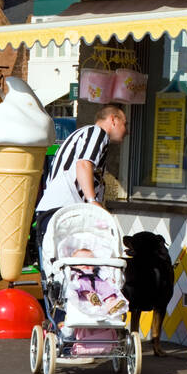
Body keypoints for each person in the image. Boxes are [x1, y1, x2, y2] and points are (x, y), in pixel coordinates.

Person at [34, 104, 128, 261]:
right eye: (125, 123)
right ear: (113, 120)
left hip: (51, 212)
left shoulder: (79, 134)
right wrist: (92, 201)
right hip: (66, 213)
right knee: (78, 268)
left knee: (58, 273)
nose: (127, 131)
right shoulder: (97, 133)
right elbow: (84, 164)